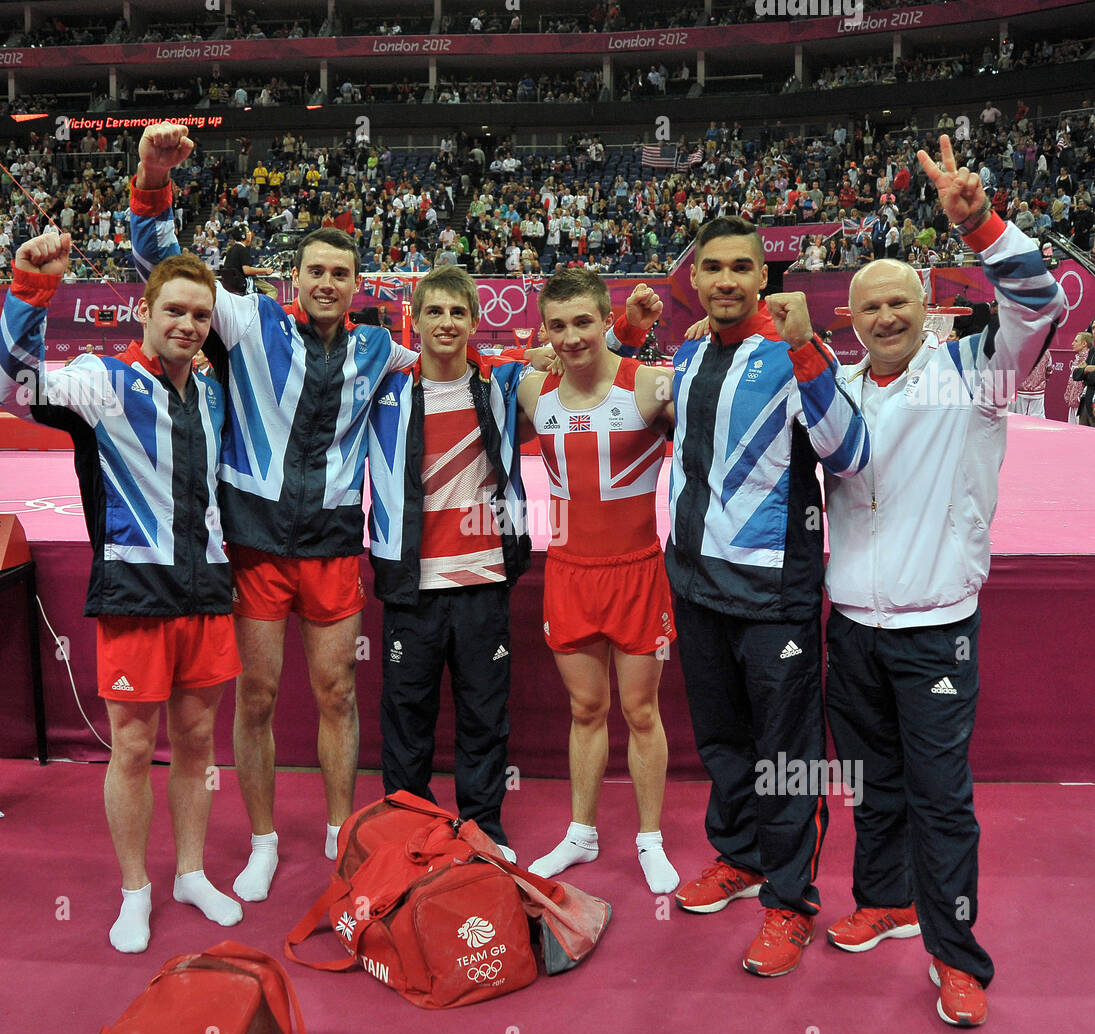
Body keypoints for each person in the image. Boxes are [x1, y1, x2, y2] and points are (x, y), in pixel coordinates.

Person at [129, 123, 416, 901]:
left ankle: (337, 831)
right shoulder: (248, 321)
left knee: (336, 693)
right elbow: (167, 266)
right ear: (293, 278)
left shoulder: (378, 350)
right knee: (254, 698)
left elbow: (464, 365)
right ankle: (261, 841)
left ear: (358, 285)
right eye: (315, 270)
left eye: (342, 273)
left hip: (329, 546)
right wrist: (154, 179)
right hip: (252, 546)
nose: (328, 282)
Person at [822, 135, 1065, 1027]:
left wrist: (982, 223)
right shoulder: (836, 390)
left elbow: (1038, 305)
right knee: (874, 785)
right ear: (849, 319)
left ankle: (955, 955)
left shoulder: (974, 376)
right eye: (869, 306)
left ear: (927, 306)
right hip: (850, 623)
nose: (884, 316)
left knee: (940, 797)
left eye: (899, 301)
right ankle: (884, 900)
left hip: (934, 627)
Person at [0, 233, 241, 953]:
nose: (187, 325)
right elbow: (14, 392)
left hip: (207, 591)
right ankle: (136, 890)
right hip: (135, 592)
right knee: (133, 747)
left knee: (197, 743)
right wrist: (32, 289)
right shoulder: (101, 381)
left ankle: (191, 874)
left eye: (199, 315)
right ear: (144, 310)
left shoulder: (214, 393)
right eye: (174, 311)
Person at [658, 216, 870, 977]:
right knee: (722, 741)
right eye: (710, 267)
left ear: (762, 277)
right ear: (695, 277)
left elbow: (849, 453)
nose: (723, 280)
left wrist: (812, 351)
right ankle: (739, 857)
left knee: (789, 755)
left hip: (773, 592)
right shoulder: (686, 355)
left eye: (740, 267)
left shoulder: (792, 353)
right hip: (695, 584)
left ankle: (792, 899)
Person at [517, 273, 679, 894]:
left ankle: (650, 838)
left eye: (583, 322)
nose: (570, 337)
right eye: (556, 326)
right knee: (586, 709)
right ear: (544, 331)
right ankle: (581, 834)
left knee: (641, 711)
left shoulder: (651, 387)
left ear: (604, 320)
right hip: (568, 573)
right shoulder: (535, 391)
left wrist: (636, 333)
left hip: (636, 572)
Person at [365, 267, 528, 857]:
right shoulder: (384, 391)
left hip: (483, 579)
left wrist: (630, 338)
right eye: (434, 311)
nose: (446, 323)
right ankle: (406, 827)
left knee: (485, 716)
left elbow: (574, 365)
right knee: (407, 717)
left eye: (458, 313)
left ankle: (482, 824)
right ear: (416, 317)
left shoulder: (501, 384)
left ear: (474, 322)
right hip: (412, 584)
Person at [220, 225, 277, 299]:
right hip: (242, 283)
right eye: (248, 232)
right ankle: (262, 309)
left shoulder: (231, 249)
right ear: (243, 236)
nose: (250, 233)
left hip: (231, 284)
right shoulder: (242, 249)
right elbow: (247, 270)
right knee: (272, 290)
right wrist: (266, 270)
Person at [1013, 346, 1051, 417]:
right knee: (1038, 418)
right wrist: (1042, 382)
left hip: (1022, 391)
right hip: (1038, 392)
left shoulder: (1021, 349)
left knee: (1020, 417)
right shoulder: (1046, 352)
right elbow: (1049, 370)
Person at [1064, 332, 1092, 424]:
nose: (1072, 343)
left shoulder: (1090, 360)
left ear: (1084, 344)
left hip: (1081, 406)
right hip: (1073, 403)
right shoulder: (1077, 359)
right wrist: (1069, 396)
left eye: (1076, 341)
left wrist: (1080, 398)